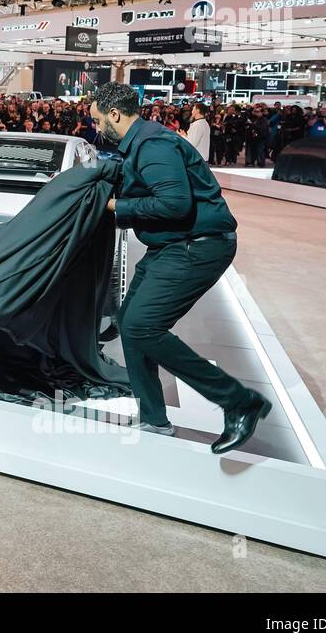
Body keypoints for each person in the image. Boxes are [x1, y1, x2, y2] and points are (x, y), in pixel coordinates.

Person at [89, 83, 268, 454]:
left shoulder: (153, 145)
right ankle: (154, 419)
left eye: (97, 120)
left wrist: (114, 208)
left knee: (141, 326)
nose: (95, 127)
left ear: (115, 115)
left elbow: (173, 204)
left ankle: (238, 401)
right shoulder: (145, 143)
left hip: (196, 246)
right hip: (174, 243)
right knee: (130, 322)